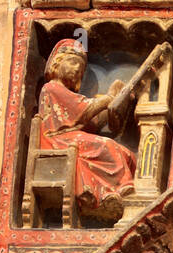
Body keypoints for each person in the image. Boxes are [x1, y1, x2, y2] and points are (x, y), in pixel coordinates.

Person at [36, 39, 137, 222]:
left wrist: (119, 102)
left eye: (81, 68)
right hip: (57, 141)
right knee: (107, 145)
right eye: (73, 63)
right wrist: (108, 98)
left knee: (125, 152)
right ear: (58, 62)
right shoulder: (52, 88)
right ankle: (116, 191)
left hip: (70, 138)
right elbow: (83, 109)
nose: (77, 70)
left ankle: (111, 194)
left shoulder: (65, 92)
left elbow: (92, 122)